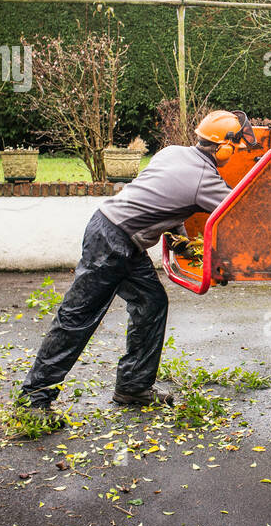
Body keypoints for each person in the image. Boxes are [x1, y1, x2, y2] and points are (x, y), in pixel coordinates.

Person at [16, 110, 256, 419]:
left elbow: (166, 198)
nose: (237, 151)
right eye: (236, 146)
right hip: (113, 242)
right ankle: (34, 399)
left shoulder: (173, 153)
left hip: (113, 232)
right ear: (224, 147)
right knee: (78, 316)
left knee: (151, 302)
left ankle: (133, 387)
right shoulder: (205, 179)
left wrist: (180, 237)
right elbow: (240, 215)